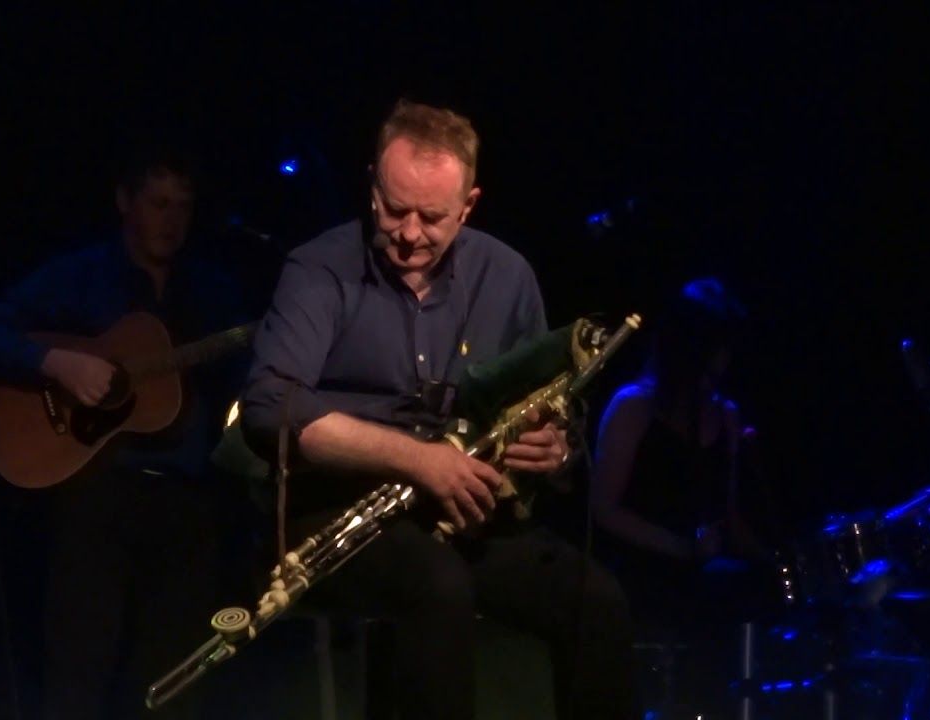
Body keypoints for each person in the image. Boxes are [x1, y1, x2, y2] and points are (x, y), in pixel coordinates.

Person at [238, 99, 638, 720]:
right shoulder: (318, 268)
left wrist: (554, 447)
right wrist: (418, 461)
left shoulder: (507, 275)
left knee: (596, 600)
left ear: (469, 206)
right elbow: (268, 406)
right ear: (372, 183)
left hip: (462, 517)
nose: (410, 232)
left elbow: (554, 407)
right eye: (395, 209)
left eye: (433, 216)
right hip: (337, 512)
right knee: (437, 585)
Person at [0, 140, 251, 720]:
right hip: (96, 498)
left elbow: (249, 378)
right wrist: (57, 364)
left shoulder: (212, 289)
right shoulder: (80, 276)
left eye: (183, 206)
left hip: (188, 501)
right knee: (78, 675)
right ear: (125, 201)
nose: (172, 219)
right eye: (158, 203)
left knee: (177, 678)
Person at [589, 277, 779, 706]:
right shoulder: (633, 407)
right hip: (639, 566)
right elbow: (605, 509)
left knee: (748, 589)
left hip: (701, 565)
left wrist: (777, 562)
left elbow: (728, 516)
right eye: (718, 349)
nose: (726, 362)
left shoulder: (725, 416)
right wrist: (680, 548)